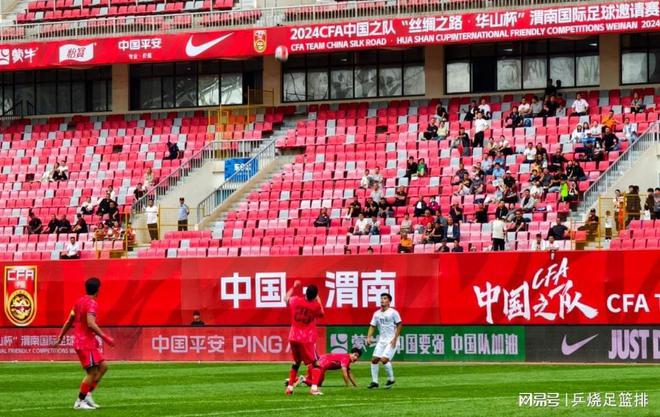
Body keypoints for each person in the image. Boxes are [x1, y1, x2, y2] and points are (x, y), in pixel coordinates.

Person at [53, 277, 115, 410]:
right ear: (98, 289)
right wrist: (106, 338)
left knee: (103, 367)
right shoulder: (92, 303)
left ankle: (87, 395)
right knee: (92, 373)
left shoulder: (79, 302)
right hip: (85, 343)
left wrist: (60, 336)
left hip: (85, 342)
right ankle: (79, 401)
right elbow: (91, 324)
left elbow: (69, 321)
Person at [284, 280, 324, 396]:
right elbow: (321, 313)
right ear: (315, 295)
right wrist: (318, 298)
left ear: (305, 292)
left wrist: (293, 287)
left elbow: (285, 298)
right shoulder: (315, 305)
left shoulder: (295, 300)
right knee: (316, 363)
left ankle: (290, 388)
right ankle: (314, 388)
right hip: (306, 339)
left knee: (296, 362)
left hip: (293, 337)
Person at [366, 293, 401, 390]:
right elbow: (372, 326)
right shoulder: (376, 313)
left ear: (389, 301)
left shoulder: (393, 312)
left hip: (391, 340)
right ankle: (375, 382)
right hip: (381, 340)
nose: (382, 300)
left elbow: (399, 325)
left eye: (385, 298)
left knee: (384, 359)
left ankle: (391, 379)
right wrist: (369, 337)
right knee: (374, 360)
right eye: (381, 298)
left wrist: (395, 338)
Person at [294, 348, 361, 388]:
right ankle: (303, 379)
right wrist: (348, 386)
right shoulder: (346, 358)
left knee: (313, 381)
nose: (355, 358)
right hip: (320, 366)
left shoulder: (346, 359)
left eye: (357, 357)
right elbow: (345, 374)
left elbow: (349, 373)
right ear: (350, 353)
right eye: (355, 355)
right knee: (316, 384)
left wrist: (355, 385)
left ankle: (291, 380)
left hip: (314, 364)